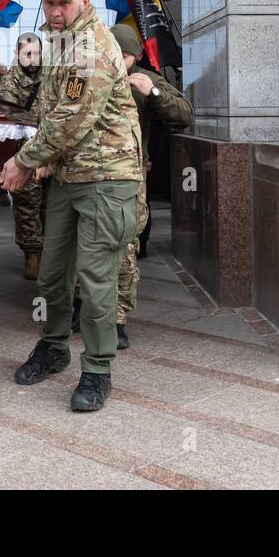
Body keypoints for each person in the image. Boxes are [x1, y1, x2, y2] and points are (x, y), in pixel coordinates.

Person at [0, 0, 142, 412]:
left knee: (96, 281)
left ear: (82, 0)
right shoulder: (58, 43)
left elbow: (72, 118)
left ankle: (98, 370)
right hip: (68, 176)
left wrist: (25, 160)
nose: (55, 11)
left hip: (106, 178)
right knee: (52, 272)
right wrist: (44, 162)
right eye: (48, 2)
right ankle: (54, 346)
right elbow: (49, 109)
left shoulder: (92, 46)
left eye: (62, 2)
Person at [110, 24, 193, 349]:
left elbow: (184, 114)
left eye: (127, 55)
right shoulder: (90, 74)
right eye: (117, 52)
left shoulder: (143, 80)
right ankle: (81, 307)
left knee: (126, 248)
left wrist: (153, 93)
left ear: (137, 56)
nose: (121, 59)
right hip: (89, 178)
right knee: (84, 247)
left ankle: (117, 319)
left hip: (130, 178)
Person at [0, 32, 49, 280]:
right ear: (17, 55)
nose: (34, 59)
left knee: (52, 203)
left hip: (51, 150)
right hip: (24, 152)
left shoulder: (51, 75)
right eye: (28, 54)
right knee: (27, 206)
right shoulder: (10, 82)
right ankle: (32, 254)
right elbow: (9, 115)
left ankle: (52, 252)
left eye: (37, 53)